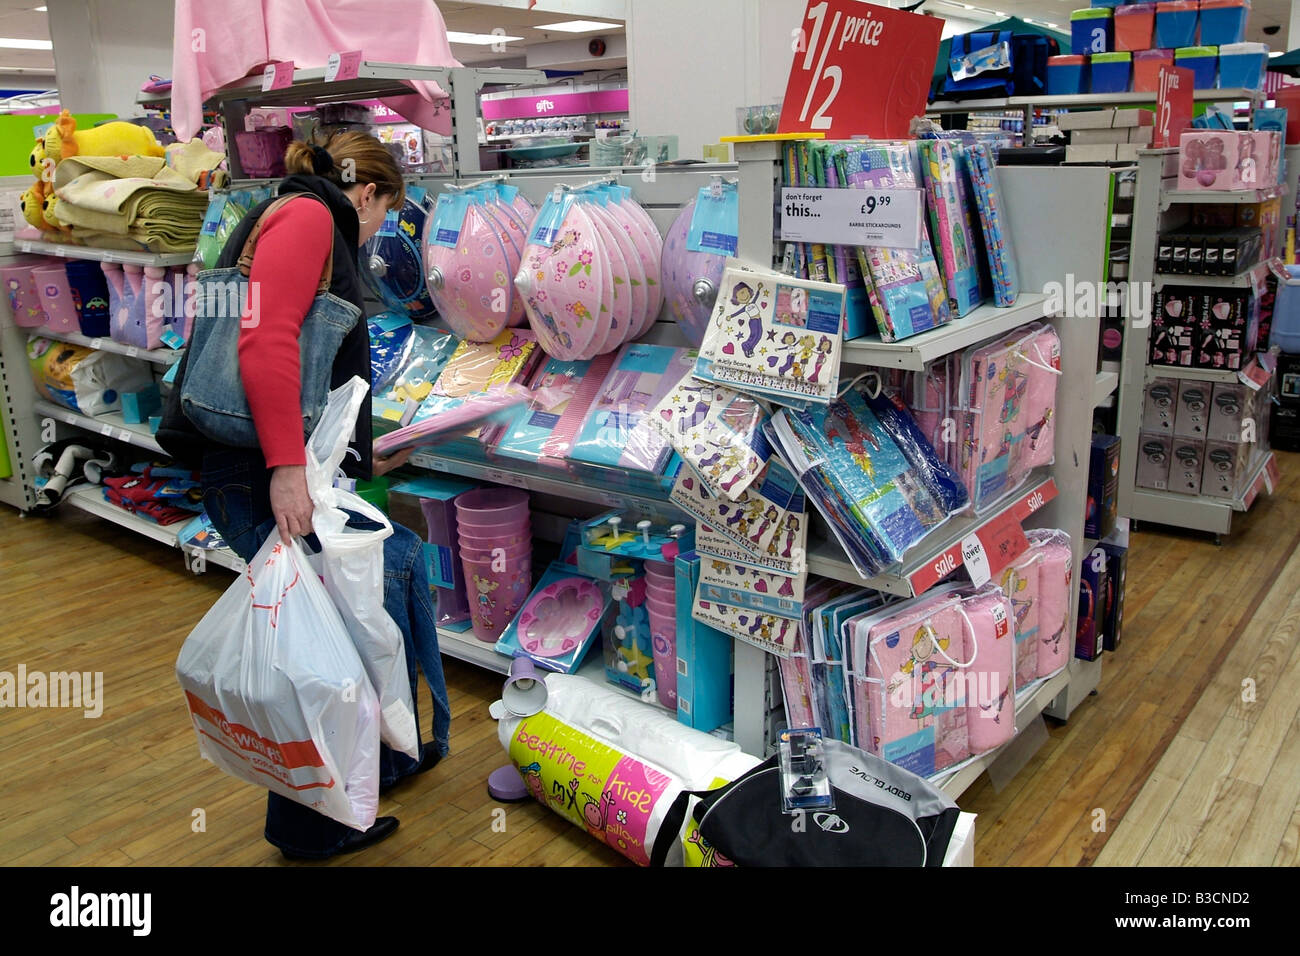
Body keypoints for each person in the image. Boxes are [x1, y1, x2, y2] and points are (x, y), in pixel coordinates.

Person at [195, 132, 451, 860]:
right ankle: (311, 825)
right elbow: (266, 340)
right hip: (259, 468)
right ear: (365, 194)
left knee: (340, 613)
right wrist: (286, 469)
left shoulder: (283, 212)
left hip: (269, 461)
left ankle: (373, 766)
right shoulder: (310, 219)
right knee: (315, 642)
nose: (376, 237)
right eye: (382, 218)